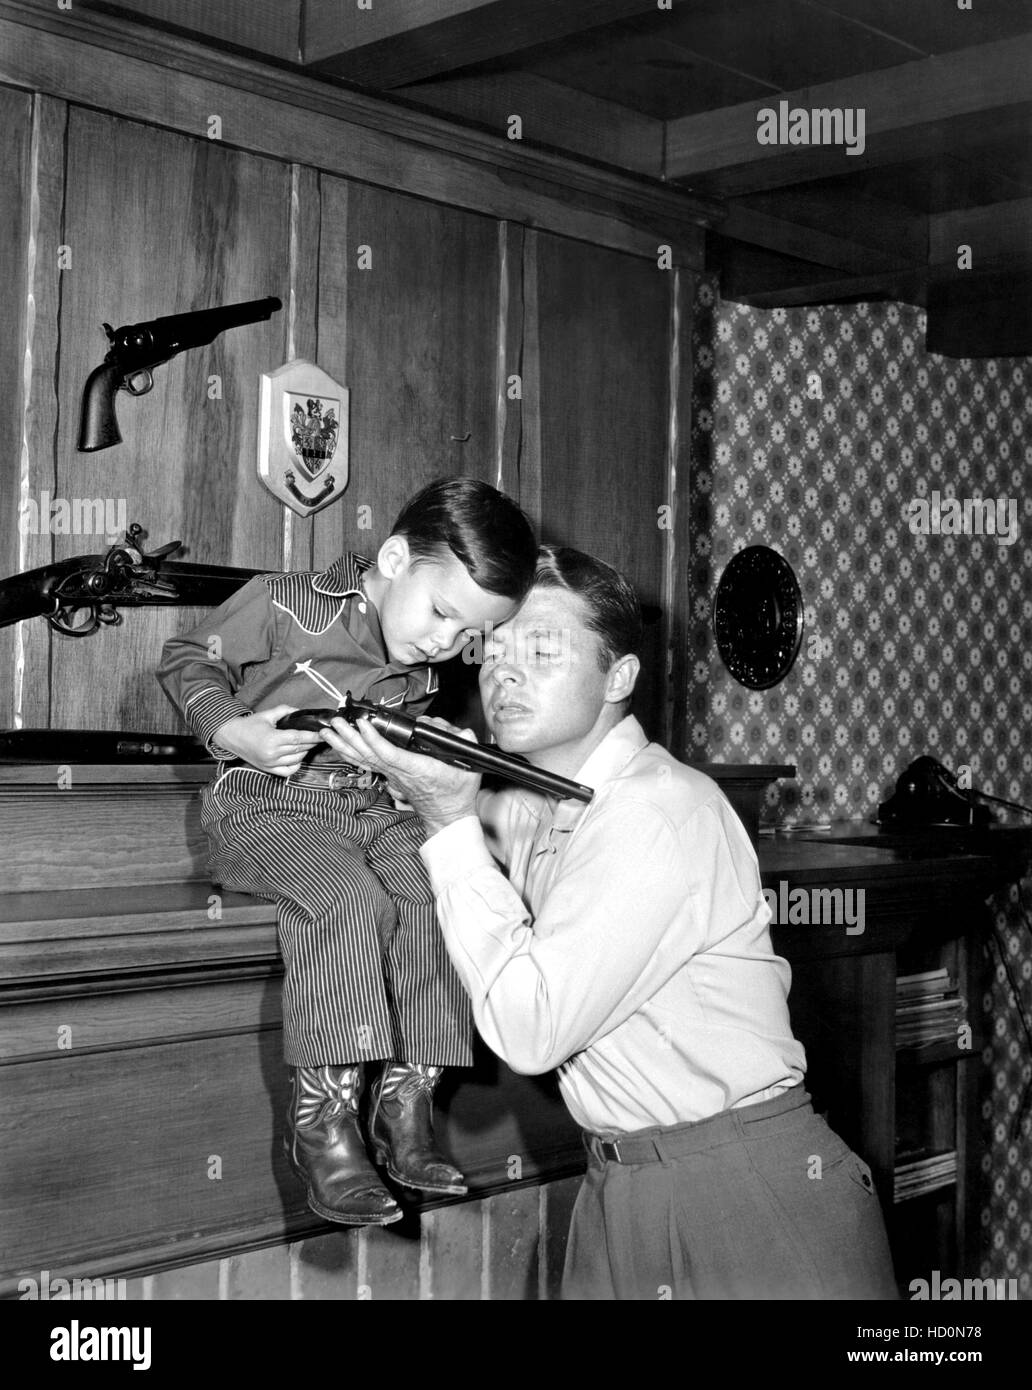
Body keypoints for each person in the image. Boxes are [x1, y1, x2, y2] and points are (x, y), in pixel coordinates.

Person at [323, 545, 899, 1299]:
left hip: (743, 1192)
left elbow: (532, 1028)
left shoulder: (658, 808)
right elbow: (462, 834)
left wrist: (448, 816)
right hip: (621, 1183)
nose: (502, 671)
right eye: (491, 650)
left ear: (618, 677)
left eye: (542, 648)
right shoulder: (547, 807)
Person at [157, 477, 537, 1228]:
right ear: (394, 557)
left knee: (438, 893)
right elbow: (184, 659)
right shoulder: (289, 600)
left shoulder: (423, 661)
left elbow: (402, 758)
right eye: (442, 614)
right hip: (266, 805)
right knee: (349, 900)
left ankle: (406, 1110)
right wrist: (240, 732)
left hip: (368, 807)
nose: (446, 644)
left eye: (469, 638)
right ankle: (325, 1128)